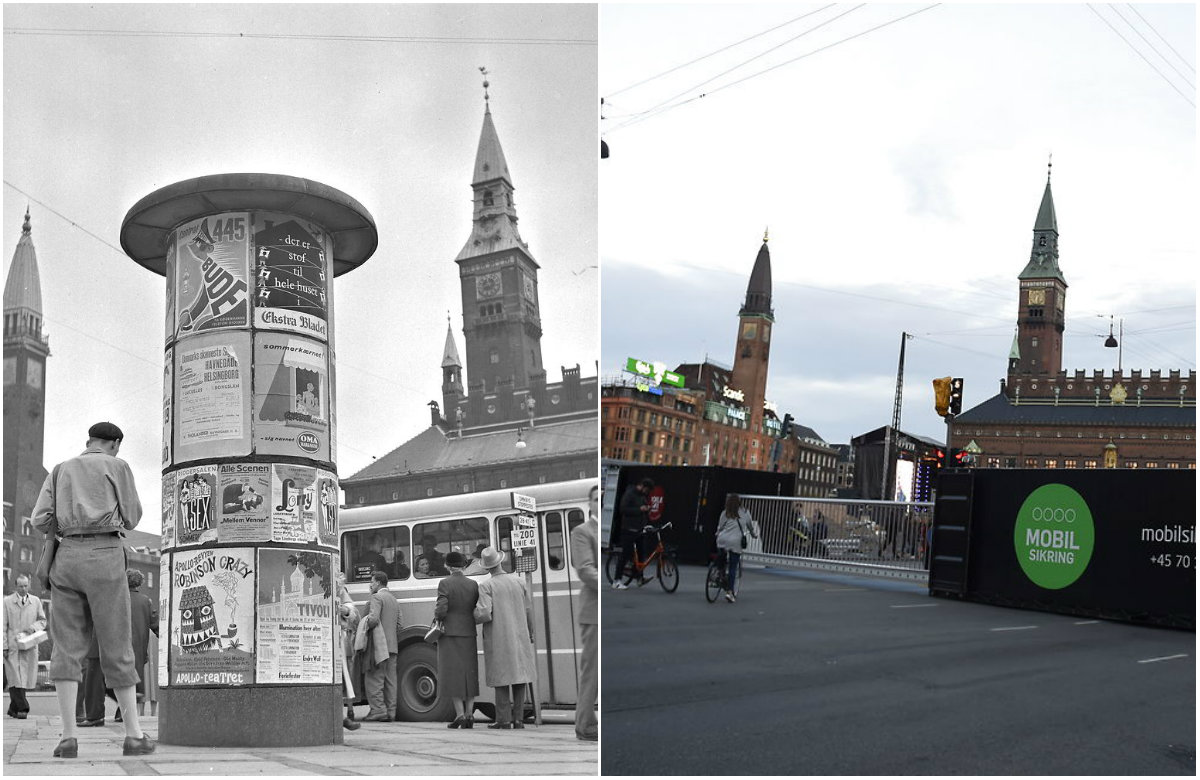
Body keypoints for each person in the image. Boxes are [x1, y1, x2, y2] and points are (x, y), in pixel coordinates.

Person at [30, 421, 154, 758]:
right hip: (104, 556)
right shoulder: (117, 466)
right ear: (114, 444)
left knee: (67, 647)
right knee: (116, 643)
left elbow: (39, 518)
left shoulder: (59, 470)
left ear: (88, 441)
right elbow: (132, 518)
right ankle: (133, 735)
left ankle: (68, 737)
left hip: (66, 558)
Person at [473, 547, 535, 730]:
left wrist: (473, 615)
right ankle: (519, 719)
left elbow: (484, 613)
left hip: (498, 636)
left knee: (501, 678)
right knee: (520, 674)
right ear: (500, 562)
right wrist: (529, 632)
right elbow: (528, 610)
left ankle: (503, 719)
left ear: (487, 568)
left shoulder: (486, 586)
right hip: (519, 634)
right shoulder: (519, 581)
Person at [434, 551, 479, 728]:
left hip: (450, 634)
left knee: (452, 674)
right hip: (469, 632)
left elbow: (441, 608)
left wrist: (438, 617)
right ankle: (470, 714)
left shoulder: (445, 583)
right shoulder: (473, 584)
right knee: (469, 673)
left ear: (447, 565)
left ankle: (460, 715)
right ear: (463, 565)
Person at [569, 485, 599, 742]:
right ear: (589, 503)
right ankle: (585, 725)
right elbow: (586, 570)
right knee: (592, 671)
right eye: (596, 499)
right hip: (594, 610)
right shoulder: (582, 532)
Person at [110, 570, 158, 724]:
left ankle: (121, 710)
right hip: (138, 648)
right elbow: (155, 624)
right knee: (134, 679)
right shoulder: (146, 601)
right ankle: (125, 711)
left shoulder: (117, 598)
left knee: (120, 678)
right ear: (139, 583)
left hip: (119, 644)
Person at [3, 574, 46, 720]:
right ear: (16, 586)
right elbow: (2, 626)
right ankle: (23, 708)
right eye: (20, 586)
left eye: (26, 585)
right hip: (12, 646)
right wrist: (3, 646)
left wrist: (32, 628)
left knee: (23, 678)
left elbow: (42, 621)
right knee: (15, 677)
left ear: (29, 585)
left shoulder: (36, 601)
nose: (23, 588)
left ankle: (13, 709)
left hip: (29, 645)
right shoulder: (7, 602)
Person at [362, 570, 400, 721]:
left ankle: (378, 710)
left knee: (374, 678)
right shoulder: (393, 599)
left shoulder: (377, 597)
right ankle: (391, 712)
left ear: (377, 583)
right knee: (391, 680)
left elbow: (373, 620)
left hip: (379, 646)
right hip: (393, 646)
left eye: (371, 582)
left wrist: (364, 624)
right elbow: (400, 624)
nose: (370, 585)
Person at [714, 493, 756, 603]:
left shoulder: (725, 513)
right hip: (735, 542)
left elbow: (720, 526)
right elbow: (750, 527)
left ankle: (719, 573)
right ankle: (730, 592)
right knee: (733, 567)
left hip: (722, 539)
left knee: (721, 557)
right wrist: (753, 534)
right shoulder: (745, 513)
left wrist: (717, 533)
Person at [612, 478, 653, 589]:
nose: (647, 492)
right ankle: (617, 580)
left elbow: (643, 509)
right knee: (625, 554)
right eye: (647, 490)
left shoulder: (642, 496)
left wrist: (647, 509)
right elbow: (623, 509)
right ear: (642, 486)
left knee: (641, 554)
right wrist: (639, 509)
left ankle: (640, 578)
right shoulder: (630, 494)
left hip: (639, 529)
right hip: (628, 529)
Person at [335, 571, 361, 730]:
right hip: (328, 637)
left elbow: (351, 610)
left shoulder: (340, 590)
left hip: (338, 637)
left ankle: (345, 714)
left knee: (342, 676)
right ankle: (343, 715)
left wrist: (344, 610)